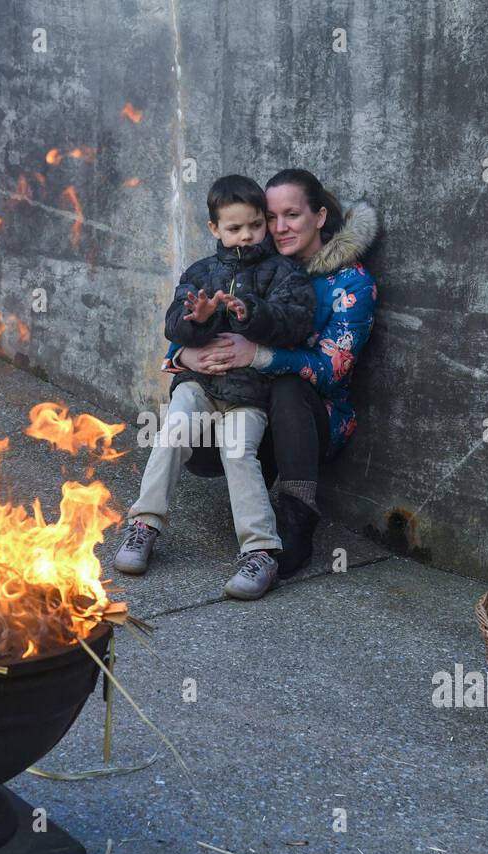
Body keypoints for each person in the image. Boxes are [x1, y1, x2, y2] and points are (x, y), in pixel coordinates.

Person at [168, 169, 379, 576]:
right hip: (245, 404)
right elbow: (201, 319)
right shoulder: (257, 264)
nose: (279, 228)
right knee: (192, 403)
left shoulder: (351, 283)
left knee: (286, 385)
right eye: (271, 217)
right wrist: (184, 358)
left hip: (313, 419)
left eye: (292, 215)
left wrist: (258, 355)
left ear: (318, 217)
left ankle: (297, 519)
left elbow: (332, 371)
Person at [115, 174, 316, 599]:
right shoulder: (200, 272)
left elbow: (295, 323)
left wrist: (250, 312)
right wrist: (200, 319)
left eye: (255, 226)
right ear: (215, 229)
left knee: (239, 451)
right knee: (173, 431)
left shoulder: (284, 272)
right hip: (200, 384)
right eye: (235, 228)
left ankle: (260, 551)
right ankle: (144, 524)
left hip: (250, 393)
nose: (247, 235)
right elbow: (173, 325)